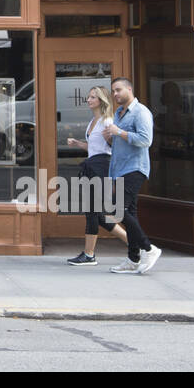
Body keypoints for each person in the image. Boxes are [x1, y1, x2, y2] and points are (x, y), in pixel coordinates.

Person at [65, 85, 128, 266]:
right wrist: (78, 143)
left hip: (102, 168)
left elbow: (112, 147)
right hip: (92, 165)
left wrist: (112, 138)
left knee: (93, 212)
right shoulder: (93, 122)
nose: (89, 100)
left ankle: (89, 254)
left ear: (101, 100)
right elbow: (94, 148)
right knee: (98, 215)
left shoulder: (108, 121)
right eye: (89, 97)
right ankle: (134, 242)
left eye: (93, 97)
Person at [104, 78, 162, 275]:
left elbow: (146, 140)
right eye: (113, 91)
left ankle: (148, 248)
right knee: (130, 212)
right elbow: (122, 142)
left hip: (134, 168)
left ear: (129, 89)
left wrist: (119, 132)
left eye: (119, 90)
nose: (115, 94)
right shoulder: (119, 113)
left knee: (115, 208)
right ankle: (133, 258)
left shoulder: (141, 112)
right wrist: (110, 139)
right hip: (119, 169)